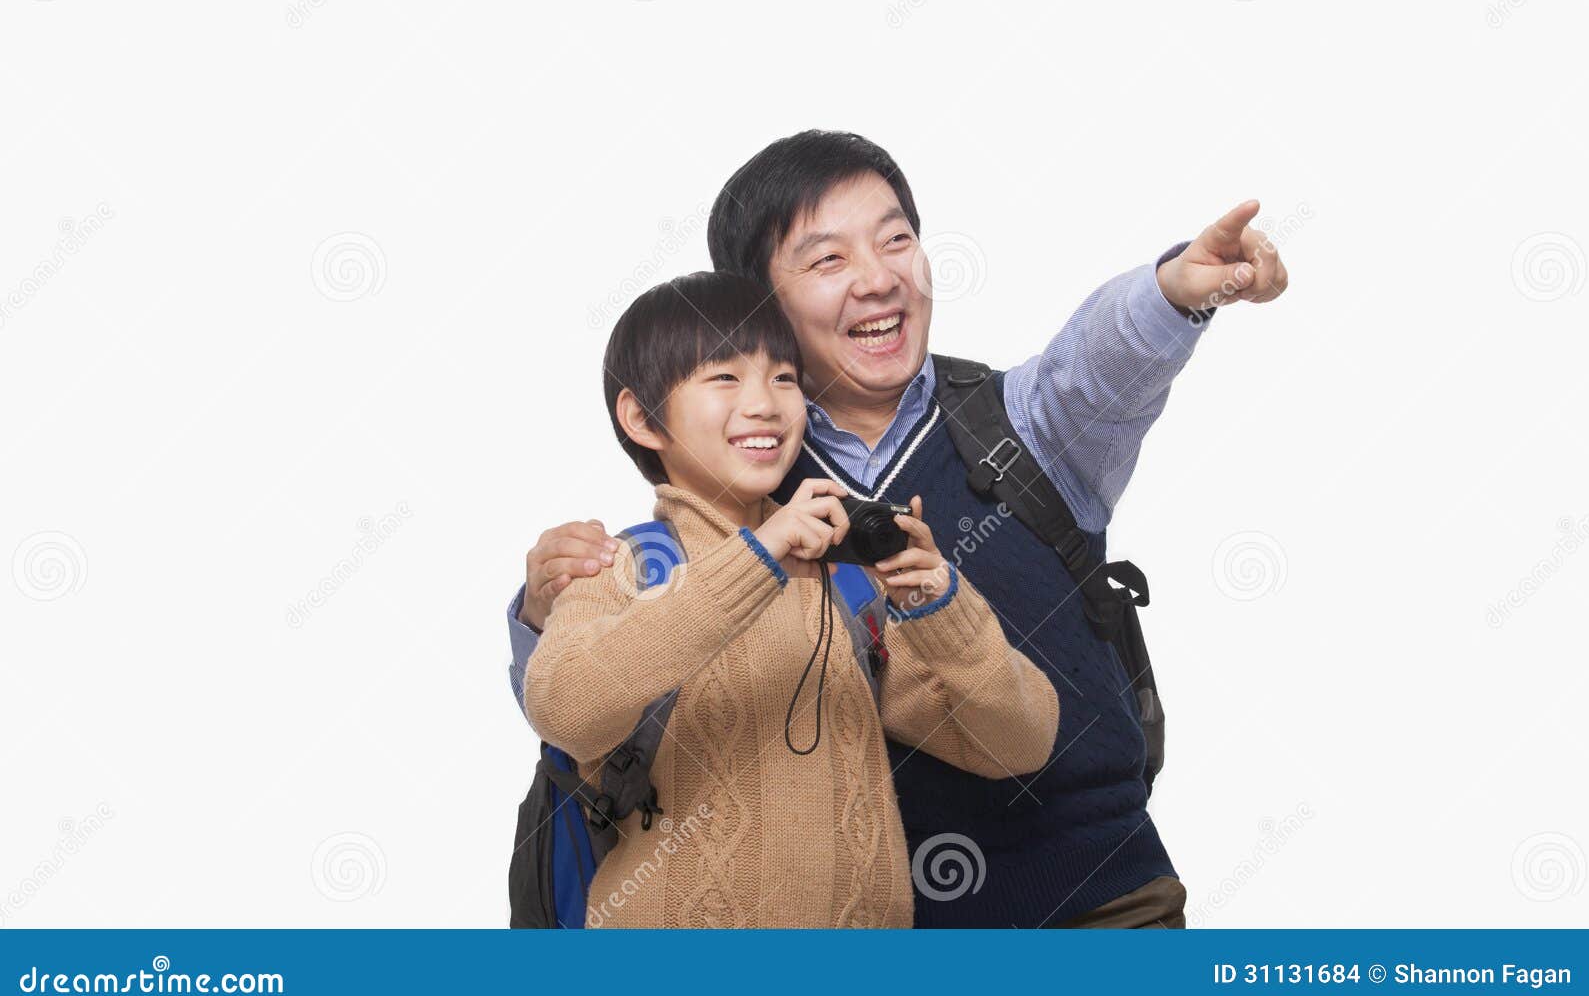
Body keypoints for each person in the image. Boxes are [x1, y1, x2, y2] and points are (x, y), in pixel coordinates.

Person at [511, 130, 1289, 927]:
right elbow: (597, 693)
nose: (878, 280)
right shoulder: (745, 491)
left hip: (1104, 904)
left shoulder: (1011, 428)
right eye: (828, 260)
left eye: (896, 241)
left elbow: (1097, 362)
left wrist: (1174, 290)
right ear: (755, 305)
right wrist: (542, 611)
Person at [521, 269, 1058, 928]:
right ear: (642, 416)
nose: (767, 403)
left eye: (784, 378)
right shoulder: (622, 563)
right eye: (724, 377)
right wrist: (761, 553)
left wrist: (944, 606)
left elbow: (1019, 744)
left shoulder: (846, 588)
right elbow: (564, 704)